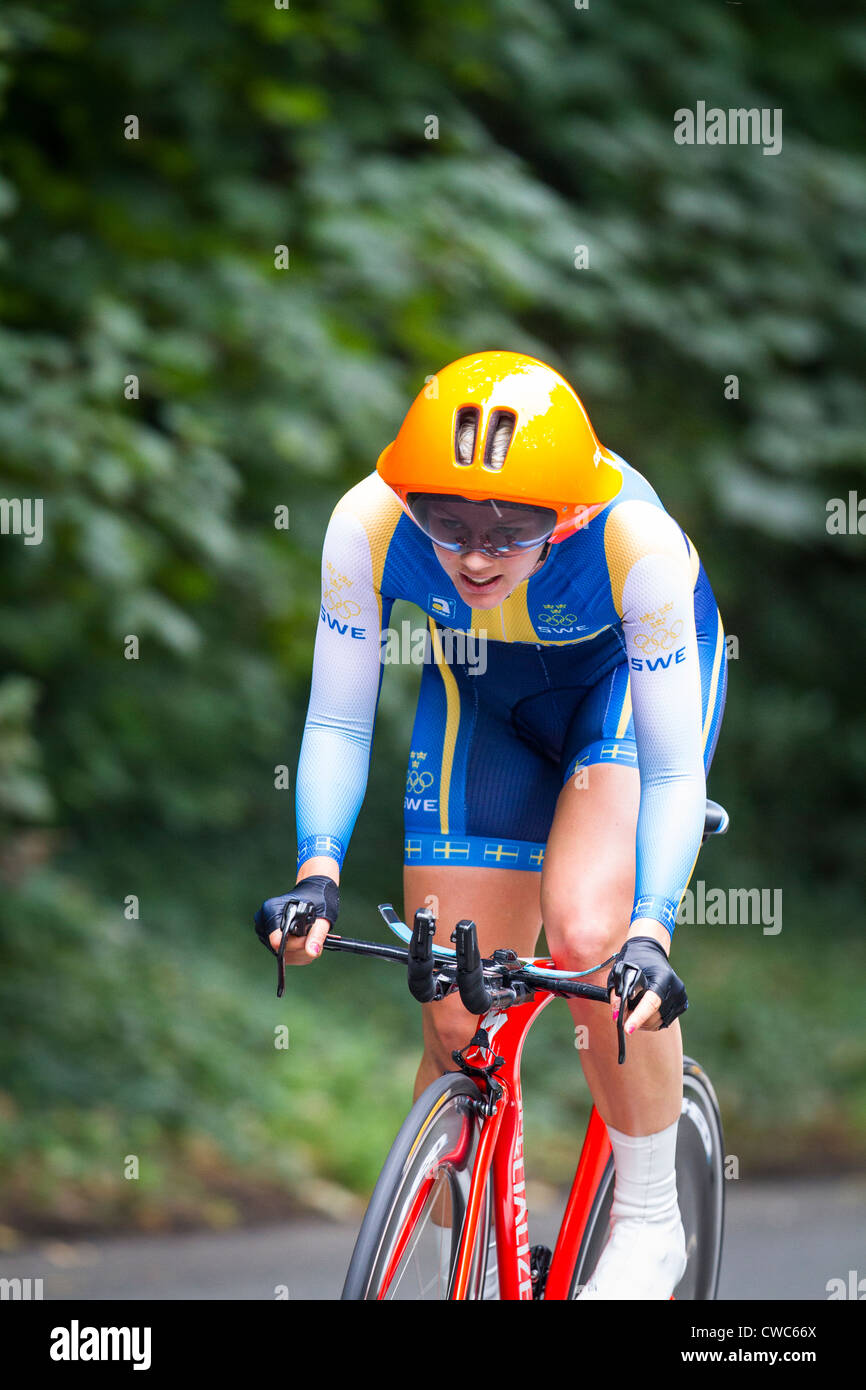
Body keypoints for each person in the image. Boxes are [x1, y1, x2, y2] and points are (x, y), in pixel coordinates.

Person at [255, 350, 727, 1300]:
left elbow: (675, 769)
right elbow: (338, 719)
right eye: (448, 524)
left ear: (572, 516)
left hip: (621, 705)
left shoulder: (636, 542)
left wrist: (653, 927)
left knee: (593, 935)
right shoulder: (368, 523)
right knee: (452, 1005)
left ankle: (648, 1220)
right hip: (483, 705)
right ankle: (442, 1258)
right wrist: (317, 873)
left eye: (510, 532)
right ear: (410, 500)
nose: (474, 555)